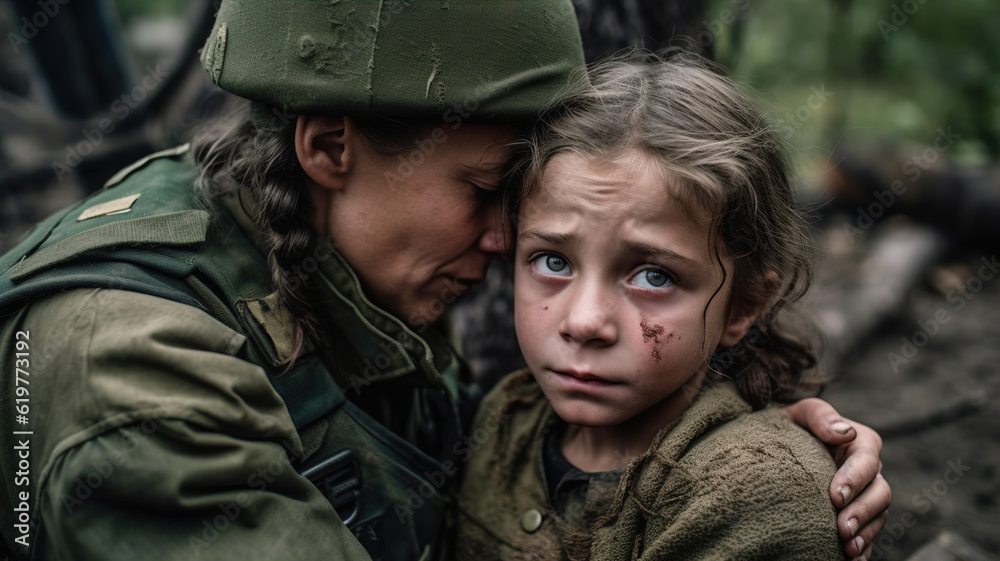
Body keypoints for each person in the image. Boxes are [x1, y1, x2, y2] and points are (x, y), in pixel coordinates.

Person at [0, 2, 886, 560]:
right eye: (480, 189)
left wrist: (750, 437)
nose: (506, 242)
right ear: (329, 146)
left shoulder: (337, 244)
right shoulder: (133, 370)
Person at [456, 53, 877, 561]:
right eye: (551, 262)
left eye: (654, 276)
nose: (584, 322)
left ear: (742, 307)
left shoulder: (755, 498)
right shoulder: (502, 422)